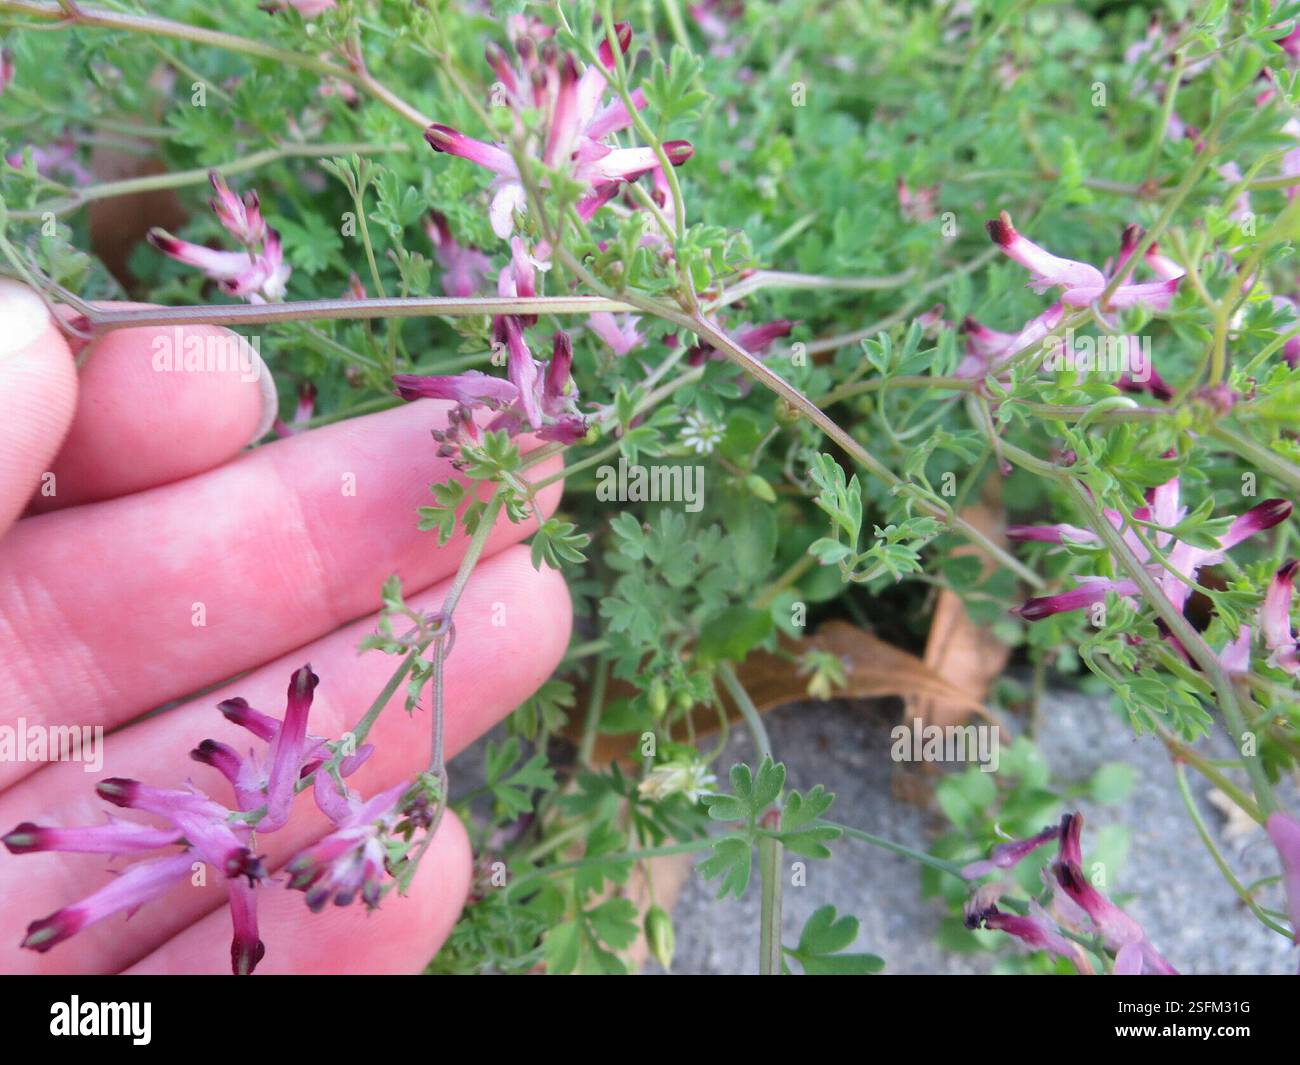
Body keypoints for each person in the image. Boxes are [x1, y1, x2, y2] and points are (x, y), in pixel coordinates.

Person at [0, 281, 570, 973]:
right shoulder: (279, 818)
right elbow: (249, 811)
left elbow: (253, 802)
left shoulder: (288, 805)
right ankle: (71, 891)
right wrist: (274, 735)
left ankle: (71, 879)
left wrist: (281, 730)